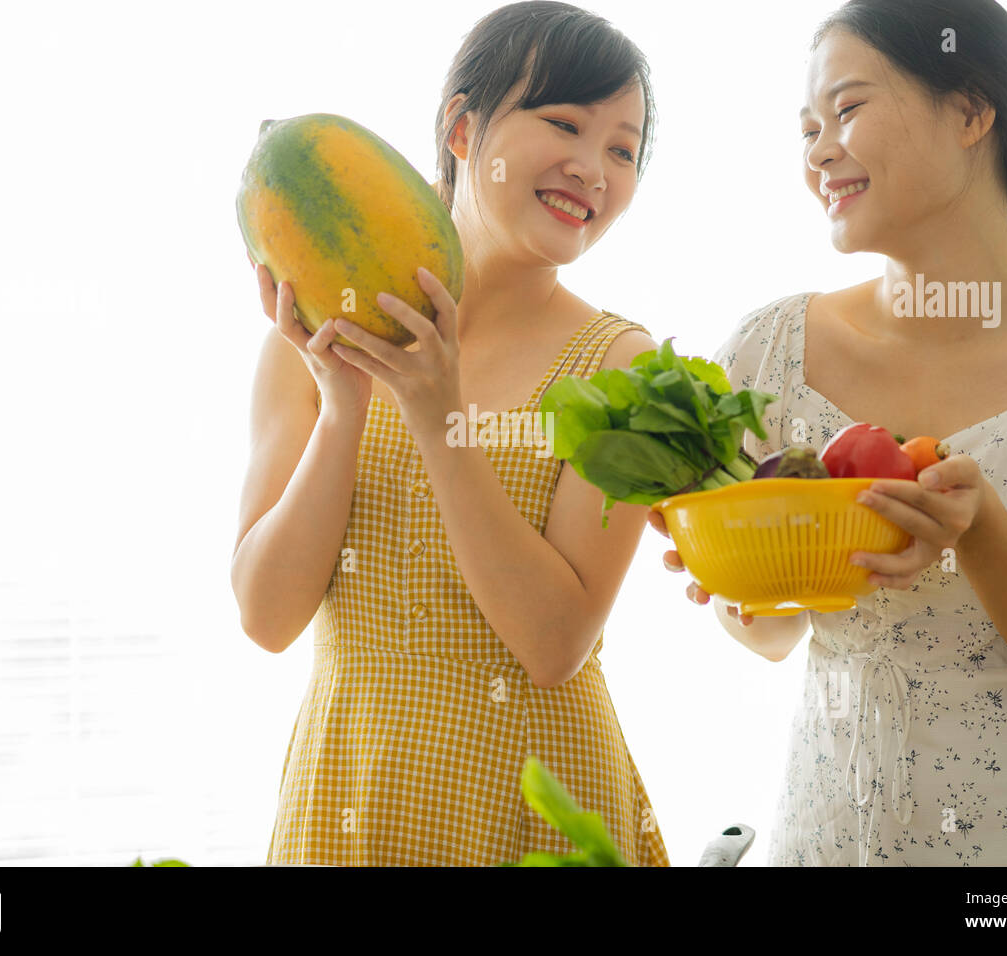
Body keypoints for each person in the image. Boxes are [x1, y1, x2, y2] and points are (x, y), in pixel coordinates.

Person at [650, 0, 1007, 865]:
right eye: (807, 128)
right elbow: (772, 635)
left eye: (846, 110)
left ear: (969, 111)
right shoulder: (771, 350)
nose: (817, 151)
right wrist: (736, 573)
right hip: (824, 839)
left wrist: (981, 529)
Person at [232, 1, 669, 865]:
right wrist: (344, 407)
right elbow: (266, 615)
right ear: (463, 129)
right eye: (565, 123)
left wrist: (440, 422)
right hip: (351, 797)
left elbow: (553, 645)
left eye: (624, 149)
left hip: (535, 805)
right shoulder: (315, 334)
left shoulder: (622, 364)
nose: (595, 168)